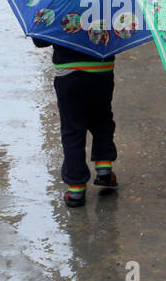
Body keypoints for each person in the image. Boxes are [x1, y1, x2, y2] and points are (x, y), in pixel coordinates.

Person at [32, 38, 117, 208]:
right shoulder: (107, 9)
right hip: (102, 70)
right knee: (102, 120)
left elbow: (40, 41)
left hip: (68, 73)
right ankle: (104, 170)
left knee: (72, 129)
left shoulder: (57, 9)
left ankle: (76, 188)